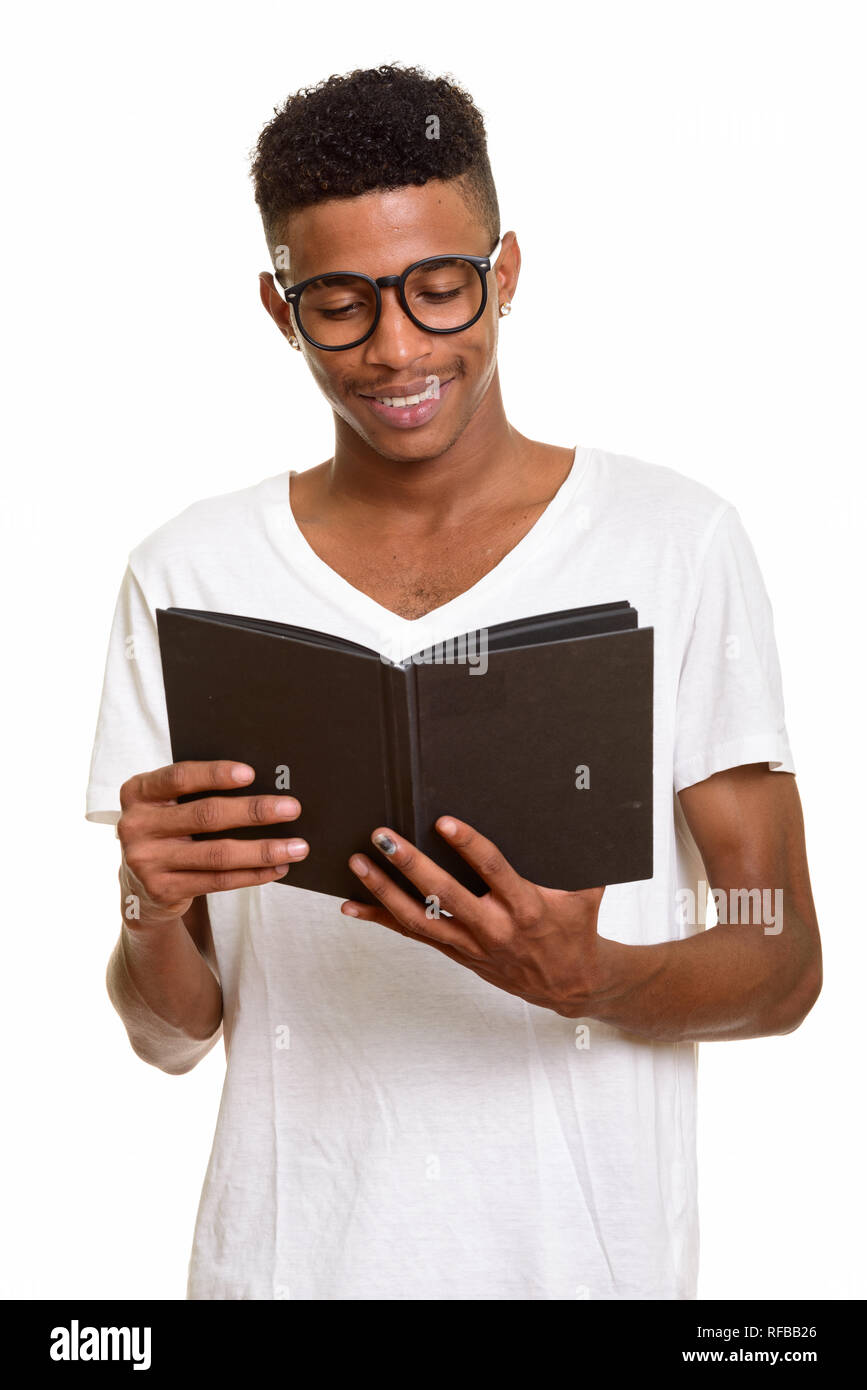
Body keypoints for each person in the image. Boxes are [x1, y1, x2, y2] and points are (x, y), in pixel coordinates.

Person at [86, 62, 822, 1301]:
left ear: (507, 274)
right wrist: (145, 910)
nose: (396, 349)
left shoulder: (673, 540)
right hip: (282, 1272)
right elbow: (171, 1033)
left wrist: (599, 976)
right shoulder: (185, 575)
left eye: (439, 289)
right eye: (340, 304)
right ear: (280, 310)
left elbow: (782, 952)